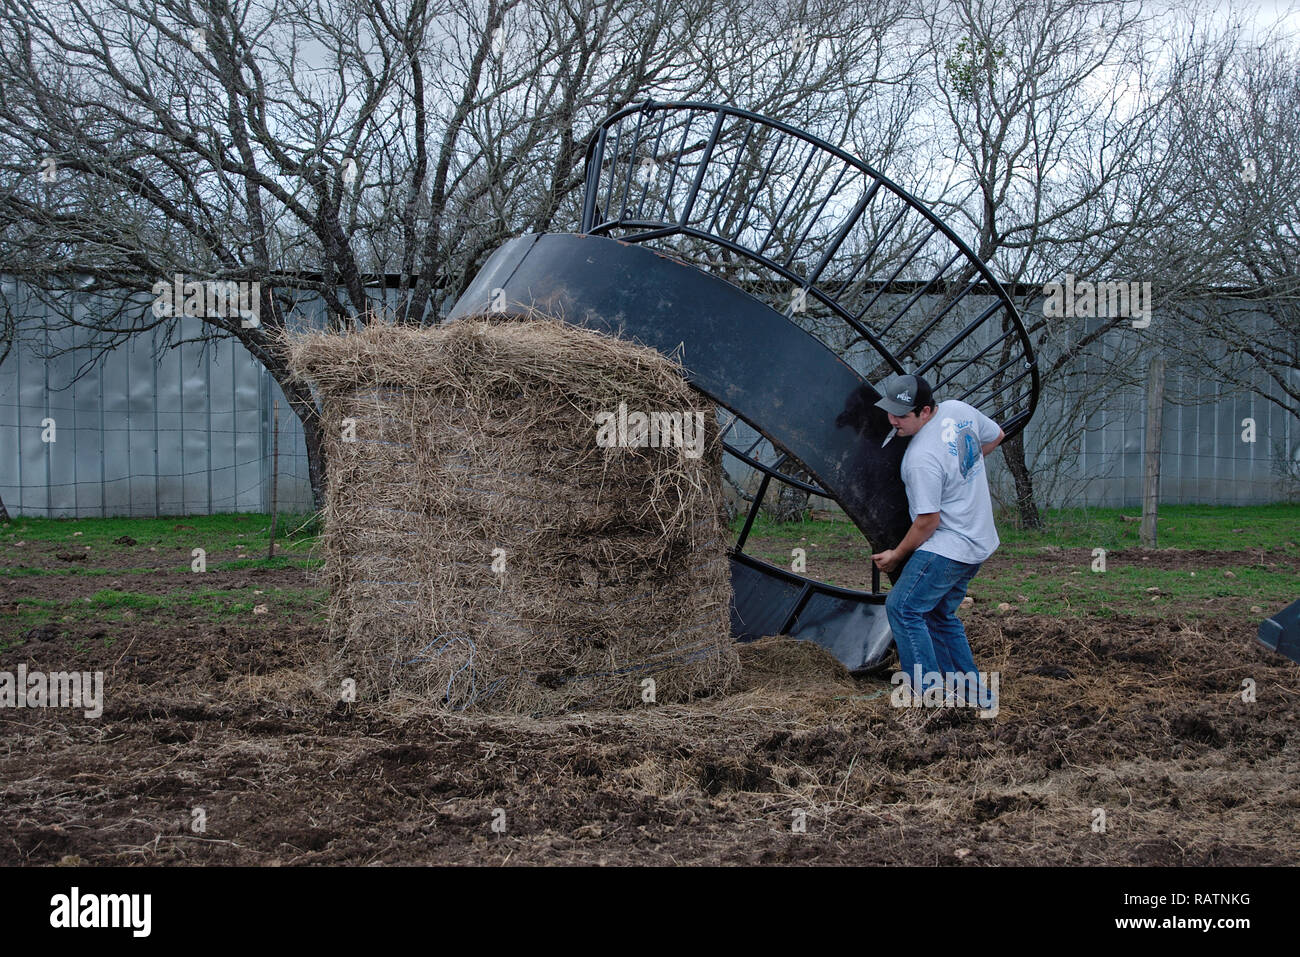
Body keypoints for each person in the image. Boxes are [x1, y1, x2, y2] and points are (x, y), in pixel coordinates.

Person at [870, 373, 1003, 714]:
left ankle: (928, 699)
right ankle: (976, 697)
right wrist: (961, 474)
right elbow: (996, 435)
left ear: (925, 412)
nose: (892, 421)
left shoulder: (920, 459)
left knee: (904, 608)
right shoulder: (959, 410)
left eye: (901, 416)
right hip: (978, 539)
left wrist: (897, 555)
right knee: (940, 615)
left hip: (949, 546)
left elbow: (929, 521)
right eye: (890, 412)